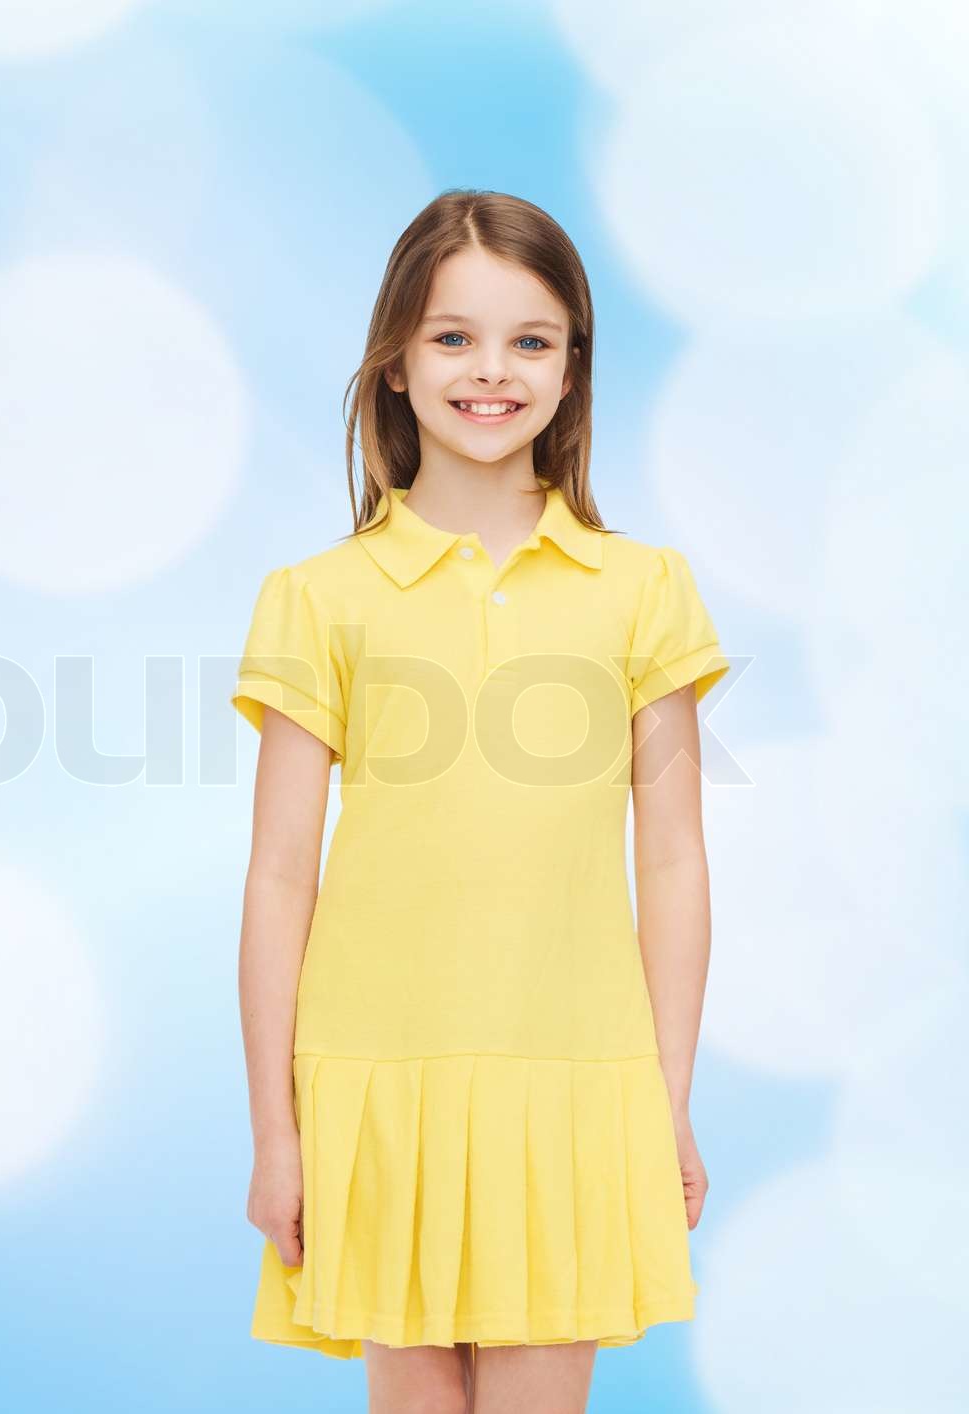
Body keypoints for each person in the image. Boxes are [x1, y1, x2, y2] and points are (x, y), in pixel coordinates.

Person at [231, 189, 729, 1414]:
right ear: (395, 362)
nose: (489, 370)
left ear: (573, 369)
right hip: (375, 1081)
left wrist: (662, 1102)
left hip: (574, 1081)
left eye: (531, 338)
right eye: (452, 337)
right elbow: (278, 874)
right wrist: (276, 1132)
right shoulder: (319, 596)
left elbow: (671, 860)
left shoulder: (642, 589)